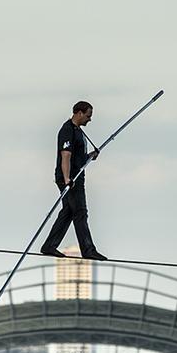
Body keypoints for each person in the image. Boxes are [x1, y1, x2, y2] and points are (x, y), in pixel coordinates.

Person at [40, 100, 108, 260]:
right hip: (70, 179)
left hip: (76, 177)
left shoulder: (79, 132)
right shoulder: (67, 130)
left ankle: (49, 246)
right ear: (79, 113)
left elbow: (77, 157)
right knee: (80, 212)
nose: (90, 119)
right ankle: (88, 250)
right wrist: (67, 178)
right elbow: (66, 155)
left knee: (68, 212)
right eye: (88, 115)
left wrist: (90, 156)